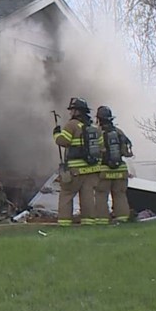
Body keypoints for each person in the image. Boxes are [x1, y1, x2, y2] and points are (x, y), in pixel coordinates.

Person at [53, 97, 102, 226]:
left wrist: (56, 134)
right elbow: (101, 148)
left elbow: (63, 141)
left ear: (77, 111)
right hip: (91, 170)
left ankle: (64, 223)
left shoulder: (72, 124)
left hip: (75, 170)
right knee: (87, 198)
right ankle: (88, 222)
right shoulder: (93, 128)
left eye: (72, 110)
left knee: (66, 194)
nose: (70, 113)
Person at [93, 105, 135, 224]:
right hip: (120, 170)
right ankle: (123, 220)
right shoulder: (119, 132)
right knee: (120, 195)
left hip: (104, 170)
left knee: (101, 196)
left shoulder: (97, 133)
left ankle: (102, 221)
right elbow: (126, 153)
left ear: (99, 119)